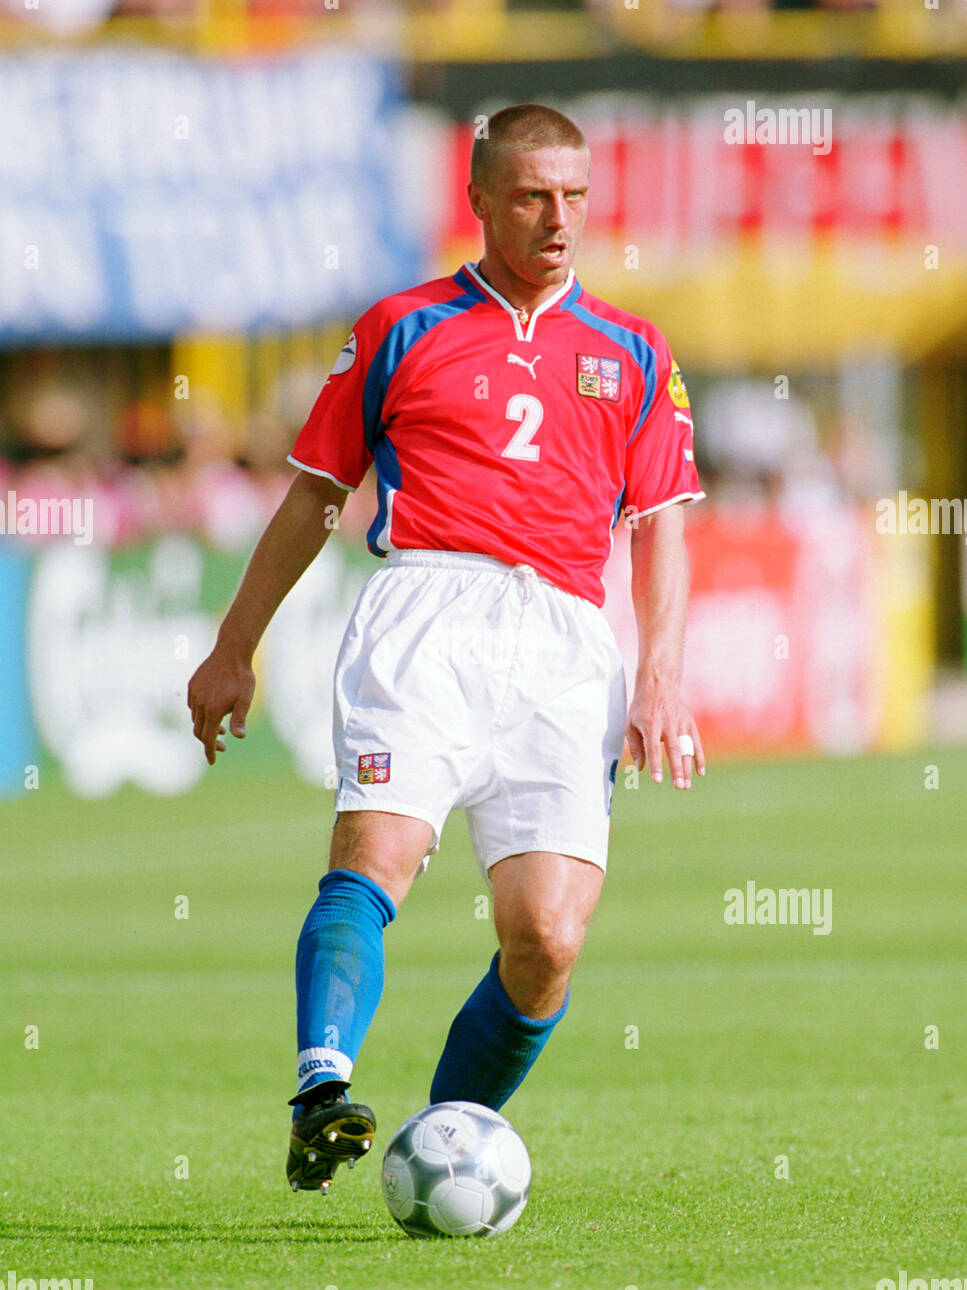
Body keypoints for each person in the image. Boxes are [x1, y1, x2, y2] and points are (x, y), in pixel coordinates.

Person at [187, 104, 706, 1196]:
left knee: (547, 940)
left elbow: (660, 521)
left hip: (566, 639)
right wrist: (234, 647)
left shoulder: (634, 349)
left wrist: (659, 669)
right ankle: (322, 1087)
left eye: (573, 195)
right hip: (426, 611)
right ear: (477, 199)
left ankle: (445, 1143)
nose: (558, 218)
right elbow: (315, 496)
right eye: (531, 195)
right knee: (371, 860)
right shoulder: (398, 328)